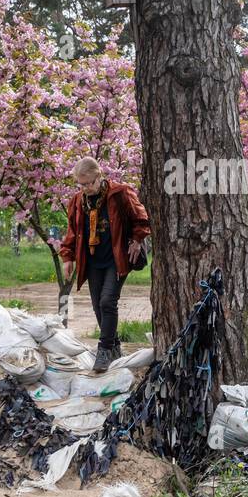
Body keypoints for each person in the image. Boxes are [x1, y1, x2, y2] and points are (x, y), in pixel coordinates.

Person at [58, 157, 151, 372]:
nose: (86, 188)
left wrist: (137, 239)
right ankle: (115, 346)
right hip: (91, 260)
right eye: (81, 185)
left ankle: (104, 350)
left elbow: (141, 218)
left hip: (116, 257)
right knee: (97, 305)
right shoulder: (77, 202)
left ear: (99, 176)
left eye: (89, 183)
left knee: (108, 301)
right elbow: (72, 231)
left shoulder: (120, 193)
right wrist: (68, 257)